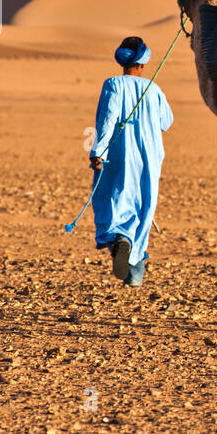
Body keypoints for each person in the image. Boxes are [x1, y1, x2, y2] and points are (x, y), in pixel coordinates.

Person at [89, 36, 173, 287]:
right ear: (143, 63)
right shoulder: (154, 89)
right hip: (150, 155)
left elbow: (108, 119)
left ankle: (119, 240)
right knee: (143, 205)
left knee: (112, 199)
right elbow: (166, 122)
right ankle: (134, 266)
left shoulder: (113, 84)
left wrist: (98, 151)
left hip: (119, 152)